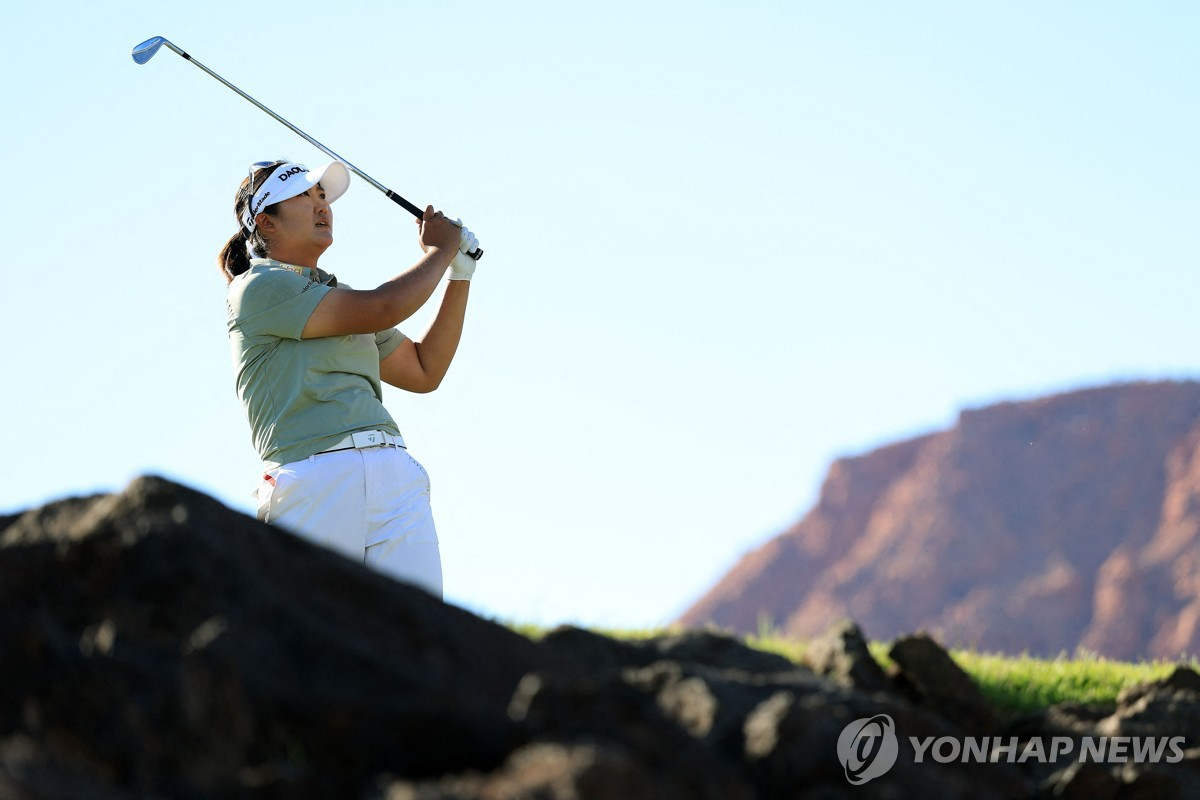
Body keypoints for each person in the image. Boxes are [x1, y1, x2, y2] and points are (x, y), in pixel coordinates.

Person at [218, 159, 479, 599]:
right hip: (312, 475)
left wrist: (459, 274)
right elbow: (383, 307)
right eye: (304, 195)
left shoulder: (337, 295)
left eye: (322, 196)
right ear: (266, 222)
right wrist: (438, 252)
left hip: (393, 470)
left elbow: (423, 370)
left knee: (419, 637)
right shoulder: (256, 288)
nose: (321, 205)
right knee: (317, 643)